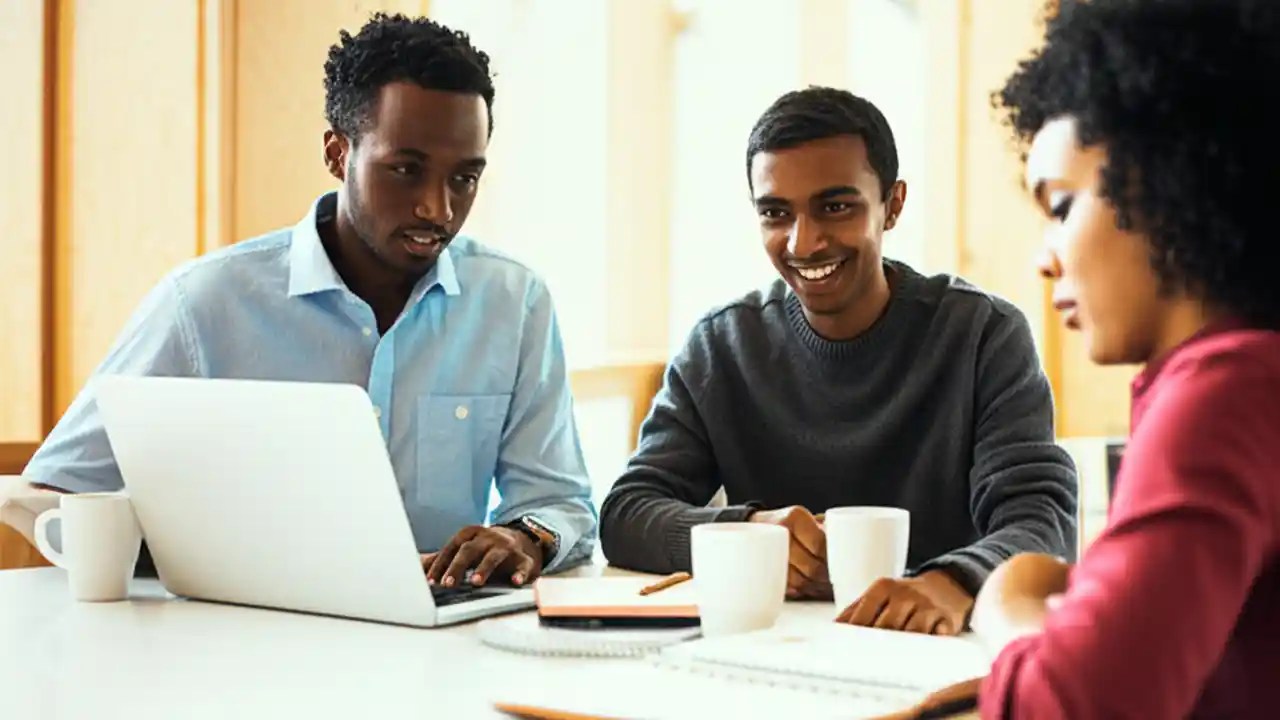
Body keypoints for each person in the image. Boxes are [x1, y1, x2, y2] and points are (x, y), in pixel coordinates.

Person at [12, 13, 596, 589]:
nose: (437, 209)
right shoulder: (205, 304)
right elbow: (52, 495)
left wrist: (526, 537)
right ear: (338, 154)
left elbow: (560, 503)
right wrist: (183, 554)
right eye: (405, 170)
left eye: (464, 179)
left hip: (440, 644)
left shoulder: (514, 303)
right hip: (240, 645)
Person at [891, 1, 1280, 717]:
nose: (1045, 259)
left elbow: (1073, 706)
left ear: (1172, 180)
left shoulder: (1225, 392)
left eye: (1062, 205)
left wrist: (1006, 604)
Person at [600, 87, 1077, 636]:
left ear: (892, 205)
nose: (803, 242)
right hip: (775, 655)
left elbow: (1042, 519)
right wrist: (749, 530)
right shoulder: (721, 346)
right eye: (776, 213)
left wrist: (954, 581)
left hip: (938, 648)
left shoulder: (982, 335)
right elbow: (626, 513)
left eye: (835, 207)